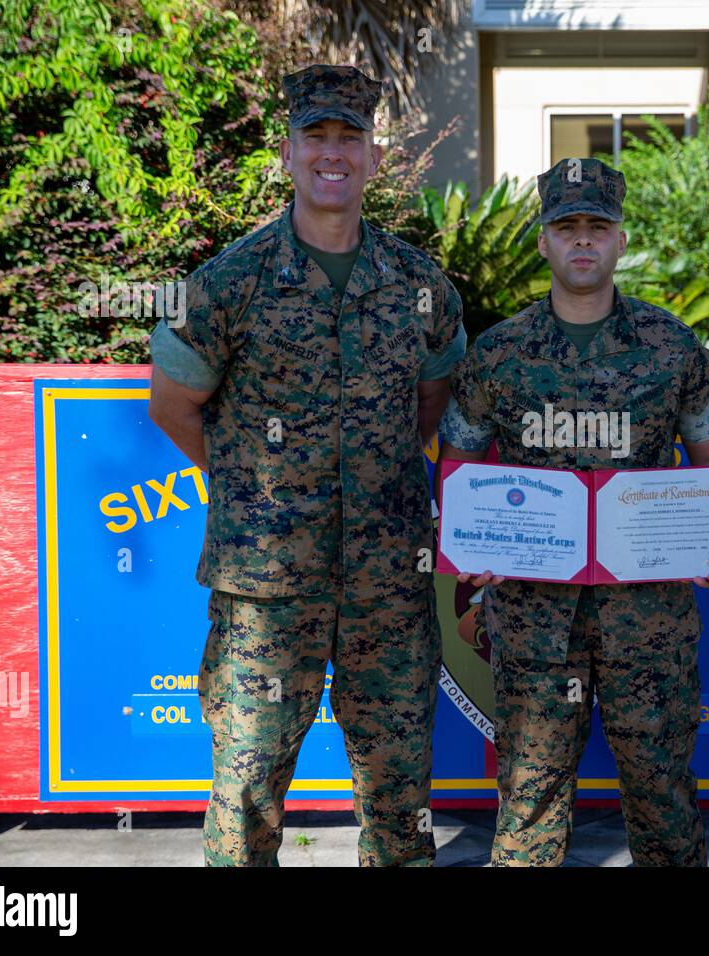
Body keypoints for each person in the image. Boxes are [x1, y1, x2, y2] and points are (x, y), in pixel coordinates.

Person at [146, 64, 465, 866]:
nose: (333, 155)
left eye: (349, 139)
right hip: (265, 592)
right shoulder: (227, 283)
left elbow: (435, 402)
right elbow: (173, 404)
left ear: (373, 157)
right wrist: (252, 487)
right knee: (246, 794)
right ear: (287, 154)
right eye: (315, 139)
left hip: (386, 584)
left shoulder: (420, 286)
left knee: (399, 797)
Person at [438, 157, 709, 866]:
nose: (582, 241)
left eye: (596, 227)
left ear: (620, 240)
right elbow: (458, 467)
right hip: (535, 616)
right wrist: (469, 543)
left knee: (663, 792)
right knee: (529, 798)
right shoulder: (499, 354)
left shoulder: (672, 348)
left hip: (650, 616)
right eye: (565, 226)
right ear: (543, 241)